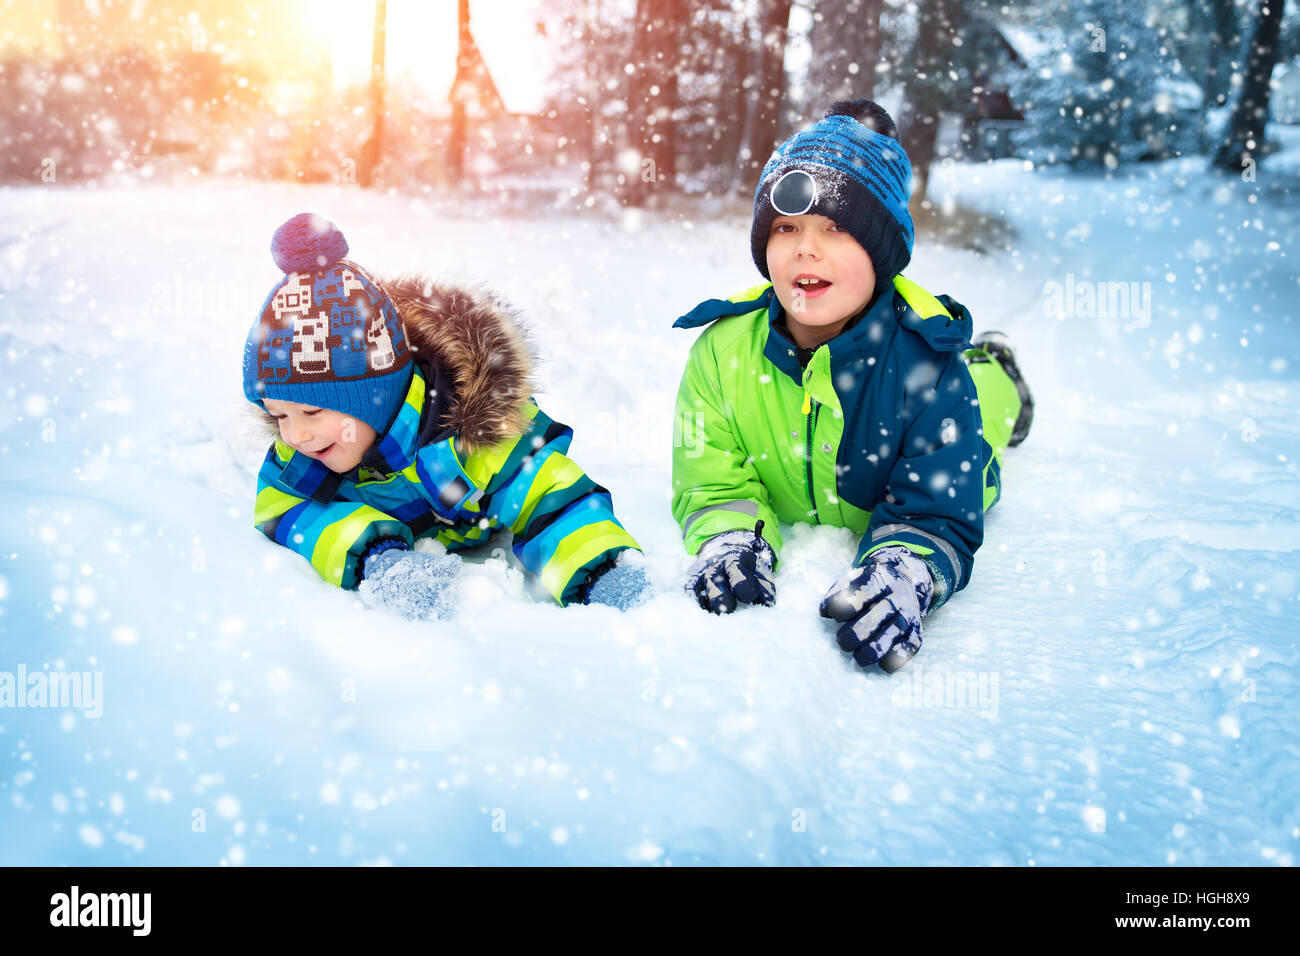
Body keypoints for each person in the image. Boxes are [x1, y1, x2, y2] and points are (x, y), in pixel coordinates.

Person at [671, 100, 1034, 671]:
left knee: (984, 412)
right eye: (785, 227)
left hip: (956, 419)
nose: (805, 247)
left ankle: (997, 365)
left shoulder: (929, 365)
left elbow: (937, 507)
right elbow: (712, 479)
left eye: (836, 227)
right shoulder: (721, 353)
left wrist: (905, 566)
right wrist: (730, 537)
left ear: (881, 253)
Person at [243, 213, 651, 620]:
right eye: (279, 415)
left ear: (372, 397)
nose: (295, 434)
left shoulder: (476, 435)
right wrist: (376, 556)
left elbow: (553, 497)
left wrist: (602, 570)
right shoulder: (308, 455)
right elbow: (286, 509)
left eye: (312, 411)